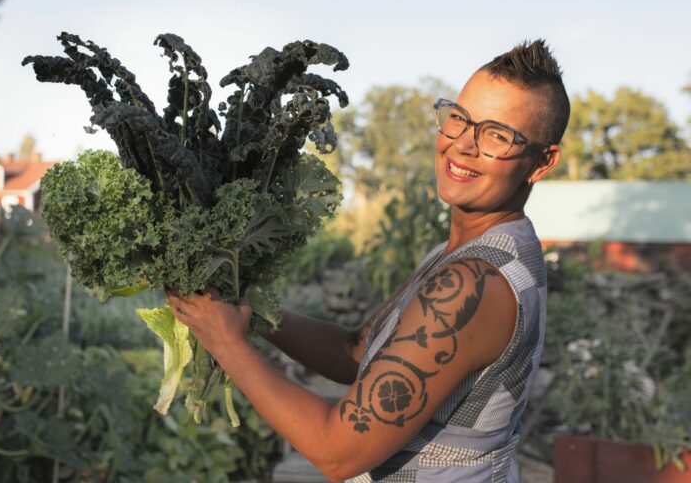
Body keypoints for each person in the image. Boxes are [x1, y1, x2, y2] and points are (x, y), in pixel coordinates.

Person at [169, 39, 569, 482]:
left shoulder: (477, 282)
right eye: (459, 119)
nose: (463, 146)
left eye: (496, 135)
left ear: (541, 162)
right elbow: (358, 352)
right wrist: (254, 313)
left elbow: (338, 451)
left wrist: (229, 344)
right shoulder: (465, 252)